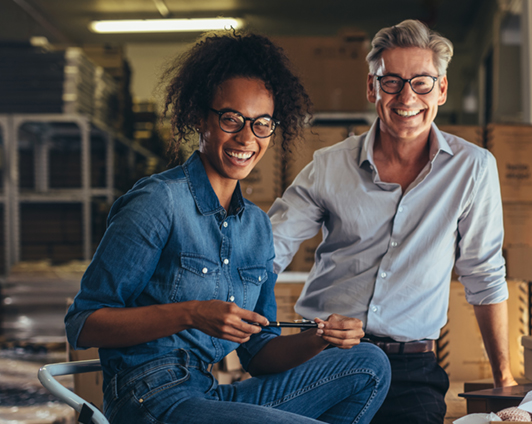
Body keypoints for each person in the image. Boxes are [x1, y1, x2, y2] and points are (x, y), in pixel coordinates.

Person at [64, 30, 390, 424]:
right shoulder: (159, 201)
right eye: (231, 119)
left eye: (262, 124)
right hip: (148, 399)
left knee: (369, 363)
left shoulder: (256, 226)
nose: (247, 138)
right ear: (199, 117)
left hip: (205, 393)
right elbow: (84, 324)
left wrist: (319, 338)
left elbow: (261, 354)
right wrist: (191, 313)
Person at [268, 19, 514, 424]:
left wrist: (504, 380)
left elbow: (483, 274)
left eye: (422, 82)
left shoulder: (473, 168)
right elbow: (268, 252)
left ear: (441, 89)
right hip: (325, 356)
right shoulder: (329, 166)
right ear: (372, 87)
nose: (407, 97)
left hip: (411, 370)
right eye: (392, 82)